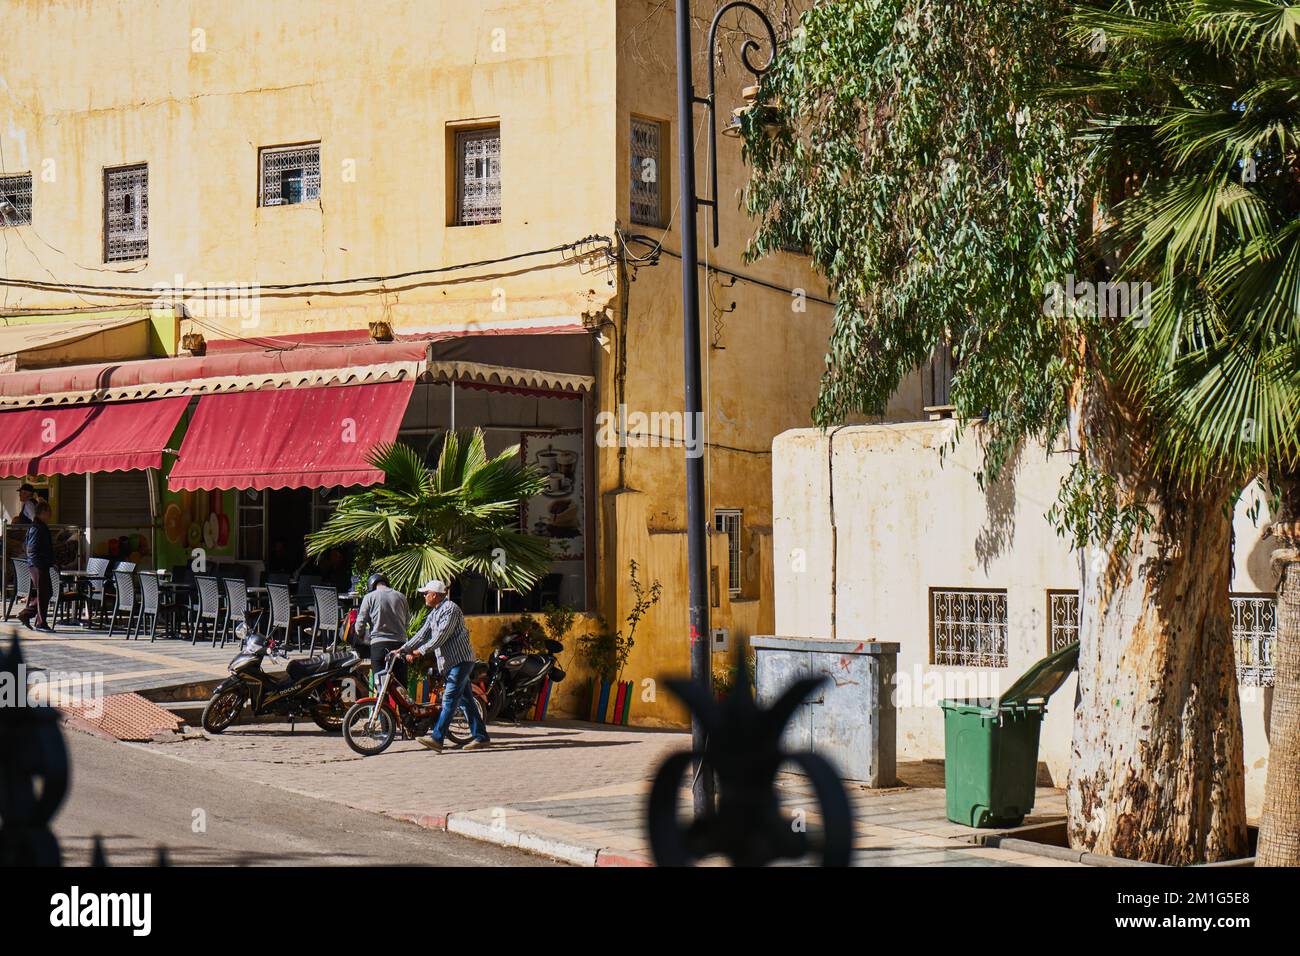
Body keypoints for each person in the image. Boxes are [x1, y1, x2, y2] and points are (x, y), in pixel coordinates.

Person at [401, 579, 489, 753]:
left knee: (449, 699)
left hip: (460, 661)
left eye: (426, 593)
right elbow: (422, 634)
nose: (424, 596)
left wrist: (419, 652)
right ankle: (481, 736)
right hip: (450, 663)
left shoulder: (450, 609)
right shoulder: (434, 612)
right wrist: (403, 648)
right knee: (466, 702)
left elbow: (440, 636)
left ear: (435, 594)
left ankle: (437, 738)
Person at [353, 573, 410, 695]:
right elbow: (407, 623)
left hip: (379, 646)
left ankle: (383, 713)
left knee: (381, 689)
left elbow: (359, 626)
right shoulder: (401, 597)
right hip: (400, 646)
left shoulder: (370, 597)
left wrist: (362, 636)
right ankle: (405, 713)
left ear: (372, 586)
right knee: (402, 689)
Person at [17, 501, 55, 631]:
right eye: (49, 512)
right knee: (44, 593)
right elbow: (31, 548)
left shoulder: (39, 526)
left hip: (40, 564)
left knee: (47, 592)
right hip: (38, 565)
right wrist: (40, 564)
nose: (50, 514)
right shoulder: (37, 528)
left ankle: (26, 614)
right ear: (43, 512)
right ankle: (41, 622)